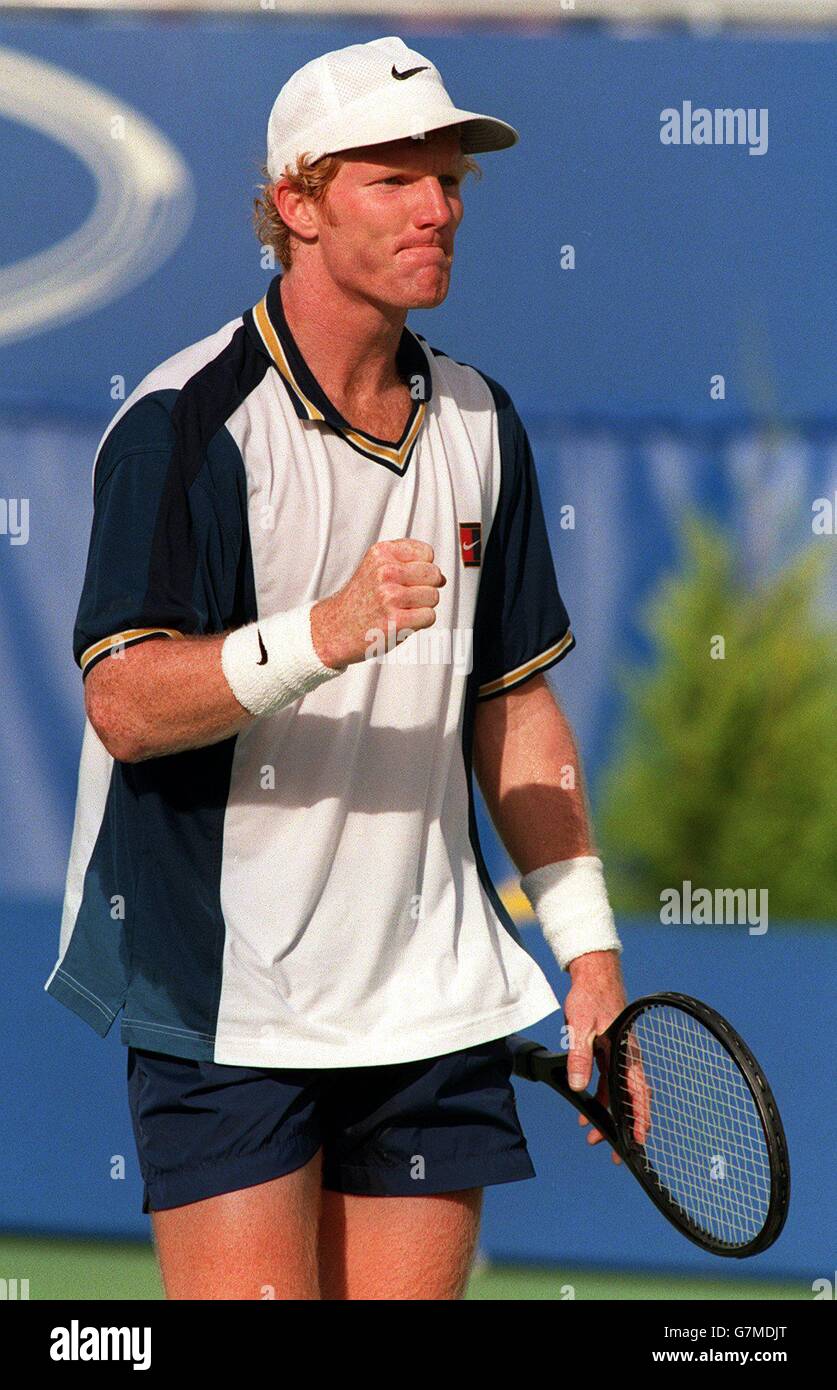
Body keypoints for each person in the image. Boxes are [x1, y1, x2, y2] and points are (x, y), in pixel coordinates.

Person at [45, 35, 626, 1300]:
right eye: (394, 177)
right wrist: (324, 631)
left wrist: (589, 954)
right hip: (227, 1004)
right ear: (296, 203)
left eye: (450, 177)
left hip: (431, 1003)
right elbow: (125, 705)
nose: (439, 206)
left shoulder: (482, 420)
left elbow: (517, 709)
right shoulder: (182, 423)